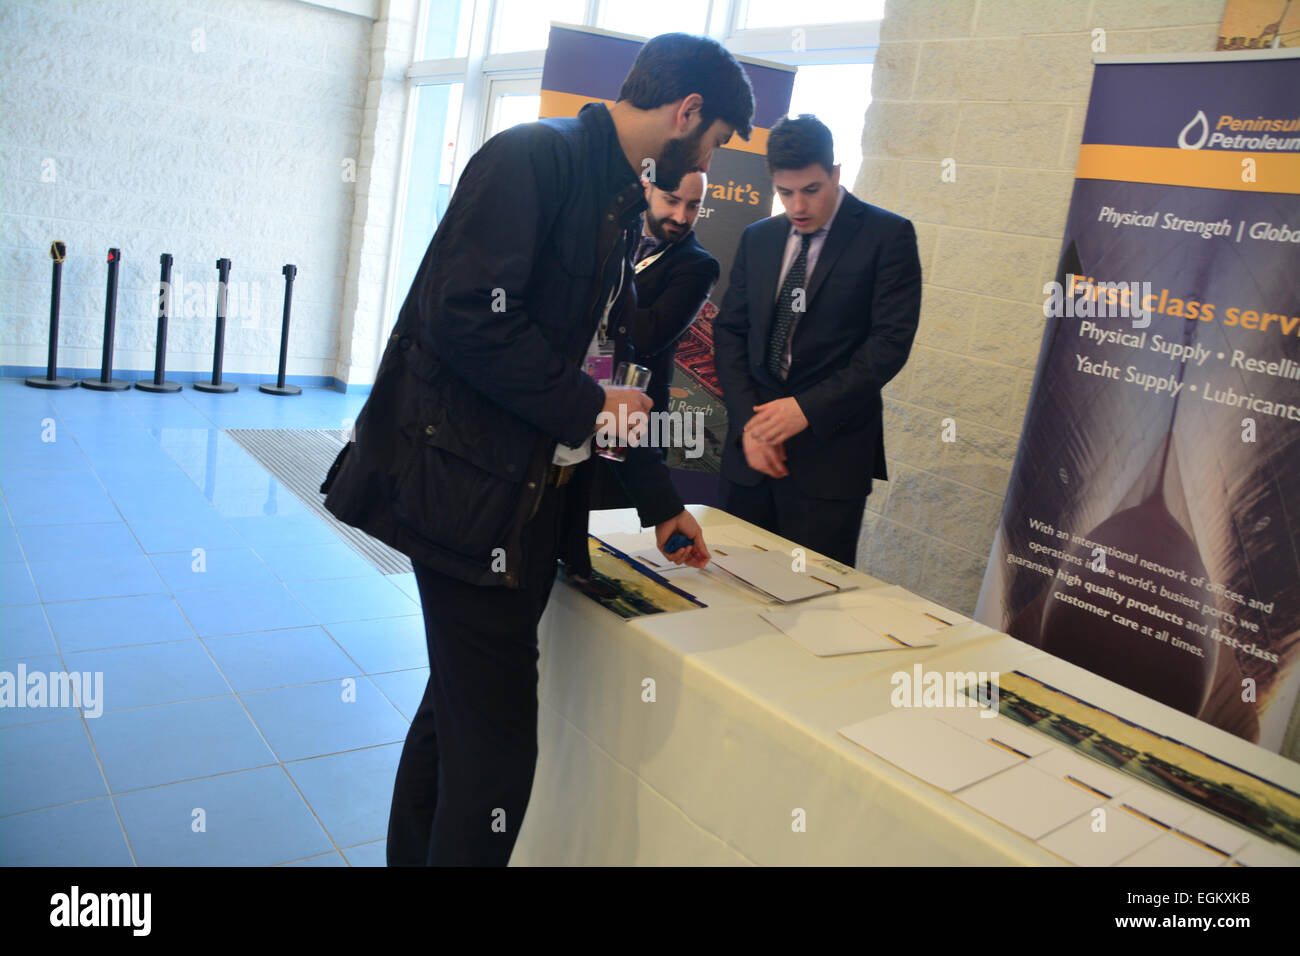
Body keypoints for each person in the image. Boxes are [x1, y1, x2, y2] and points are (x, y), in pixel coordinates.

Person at [319, 32, 753, 867]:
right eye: (715, 141)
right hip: (468, 498)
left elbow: (602, 364)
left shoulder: (615, 199)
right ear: (688, 111)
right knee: (497, 763)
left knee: (457, 718)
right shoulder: (532, 159)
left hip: (522, 502)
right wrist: (593, 403)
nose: (712, 160)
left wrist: (659, 502)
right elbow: (468, 320)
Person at [712, 113, 921, 567]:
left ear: (836, 174)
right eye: (785, 192)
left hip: (829, 462)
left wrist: (805, 408)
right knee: (733, 583)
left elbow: (889, 344)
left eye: (811, 189)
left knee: (814, 600)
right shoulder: (758, 238)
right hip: (752, 454)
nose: (798, 206)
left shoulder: (888, 236)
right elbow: (730, 330)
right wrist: (752, 422)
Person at [591, 169, 718, 512]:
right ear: (647, 189)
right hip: (582, 395)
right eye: (672, 201)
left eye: (693, 206)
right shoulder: (613, 233)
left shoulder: (698, 265)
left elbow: (649, 335)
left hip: (636, 415)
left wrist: (599, 302)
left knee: (612, 522)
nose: (681, 216)